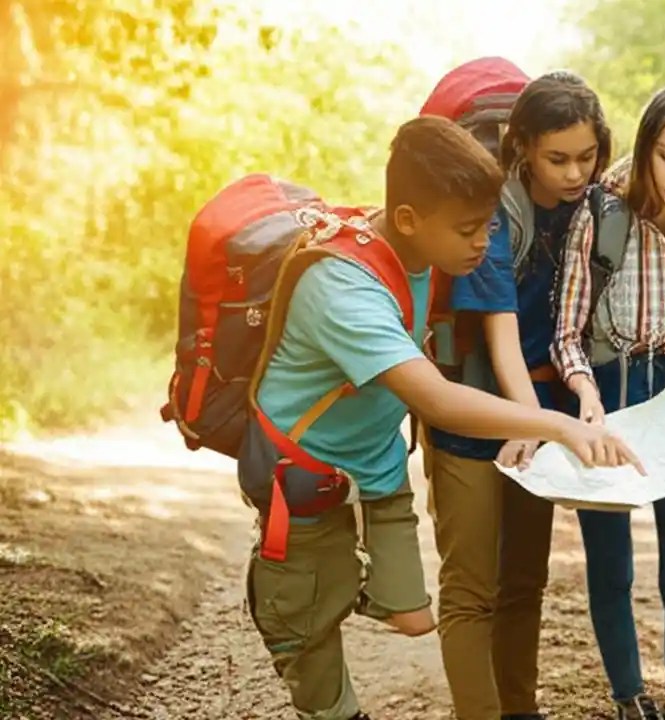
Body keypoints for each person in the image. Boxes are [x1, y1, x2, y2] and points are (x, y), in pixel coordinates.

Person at [246, 115, 639, 720]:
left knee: (413, 618)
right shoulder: (344, 290)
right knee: (309, 634)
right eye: (469, 229)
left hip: (375, 471)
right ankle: (293, 601)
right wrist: (559, 425)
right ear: (408, 219)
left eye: (488, 223)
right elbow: (435, 399)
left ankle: (335, 582)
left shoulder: (422, 251)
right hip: (304, 478)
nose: (484, 242)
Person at [421, 69, 614, 720]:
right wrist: (532, 423)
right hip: (471, 409)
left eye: (586, 157)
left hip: (544, 414)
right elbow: (500, 338)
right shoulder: (494, 212)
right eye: (557, 158)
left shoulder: (597, 212)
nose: (573, 172)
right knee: (473, 585)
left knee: (525, 582)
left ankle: (520, 709)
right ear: (523, 145)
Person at [551, 79, 665, 720]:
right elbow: (567, 333)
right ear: (646, 147)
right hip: (611, 395)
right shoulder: (602, 216)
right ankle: (630, 697)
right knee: (612, 565)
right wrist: (584, 396)